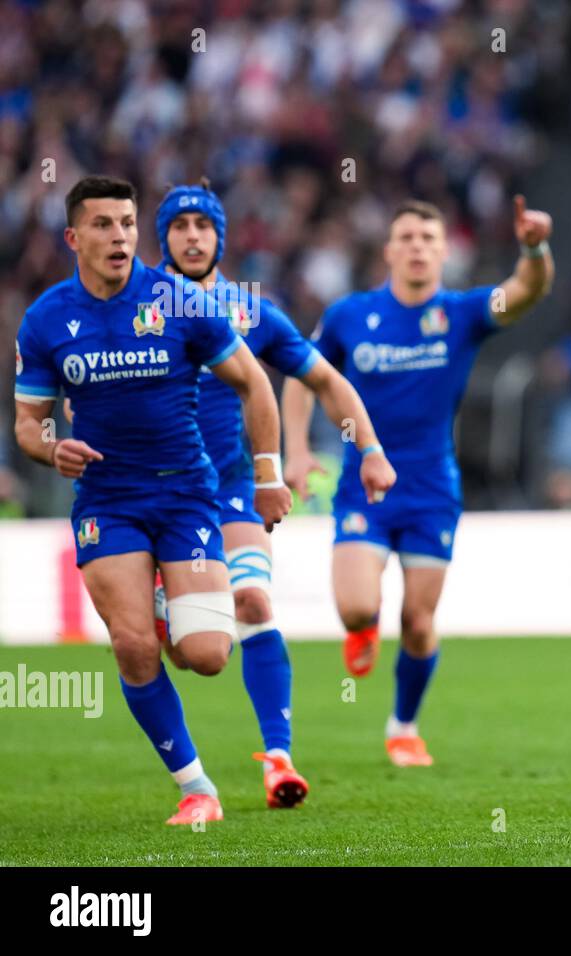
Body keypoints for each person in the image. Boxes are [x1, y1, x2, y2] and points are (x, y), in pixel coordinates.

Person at [12, 175, 292, 824]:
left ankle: (168, 601)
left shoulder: (181, 302)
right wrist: (50, 447)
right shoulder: (47, 319)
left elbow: (254, 383)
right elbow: (27, 422)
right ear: (73, 237)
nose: (119, 236)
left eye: (128, 223)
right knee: (132, 645)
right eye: (104, 225)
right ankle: (198, 789)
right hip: (107, 501)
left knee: (208, 656)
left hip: (188, 494)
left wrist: (269, 474)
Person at [281, 196, 554, 766]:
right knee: (358, 609)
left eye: (429, 239)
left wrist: (534, 247)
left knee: (419, 621)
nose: (417, 248)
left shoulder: (463, 312)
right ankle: (361, 629)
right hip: (364, 485)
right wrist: (299, 450)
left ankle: (403, 726)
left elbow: (527, 290)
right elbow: (303, 377)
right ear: (388, 250)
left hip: (432, 488)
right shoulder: (348, 316)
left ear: (444, 252)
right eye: (406, 237)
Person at [153, 181, 396, 806]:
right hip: (154, 495)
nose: (192, 236)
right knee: (194, 654)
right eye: (179, 227)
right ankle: (166, 618)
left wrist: (368, 448)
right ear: (162, 239)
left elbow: (326, 379)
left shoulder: (250, 311)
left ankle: (278, 759)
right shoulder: (135, 308)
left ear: (220, 237)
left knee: (255, 604)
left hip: (232, 489)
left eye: (202, 226)